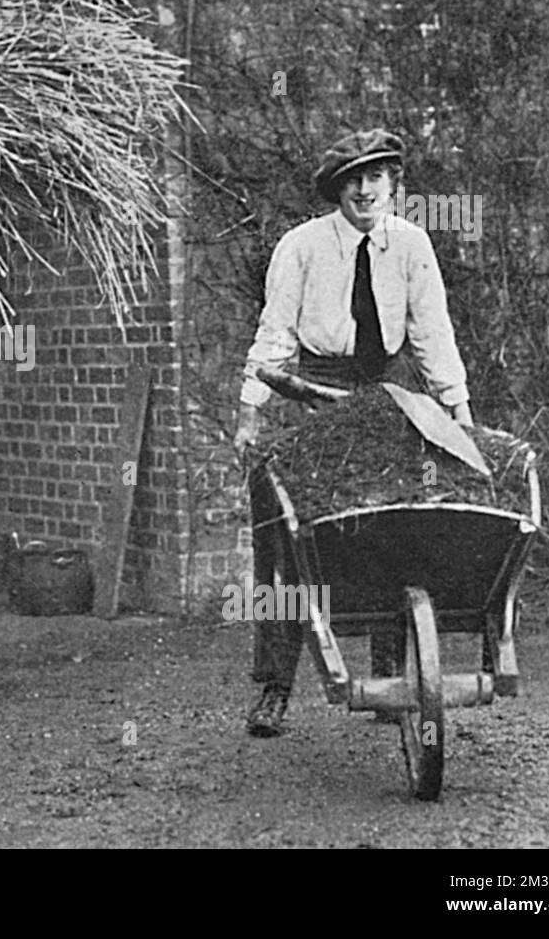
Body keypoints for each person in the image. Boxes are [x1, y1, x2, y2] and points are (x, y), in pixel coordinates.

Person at [234, 128, 473, 738]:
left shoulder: (413, 245)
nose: (365, 189)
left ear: (394, 184)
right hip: (314, 385)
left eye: (376, 177)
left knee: (396, 516)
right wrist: (251, 411)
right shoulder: (302, 246)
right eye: (353, 180)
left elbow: (432, 333)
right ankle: (274, 686)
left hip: (386, 385)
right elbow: (275, 333)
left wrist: (457, 409)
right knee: (281, 528)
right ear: (337, 190)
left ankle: (394, 671)